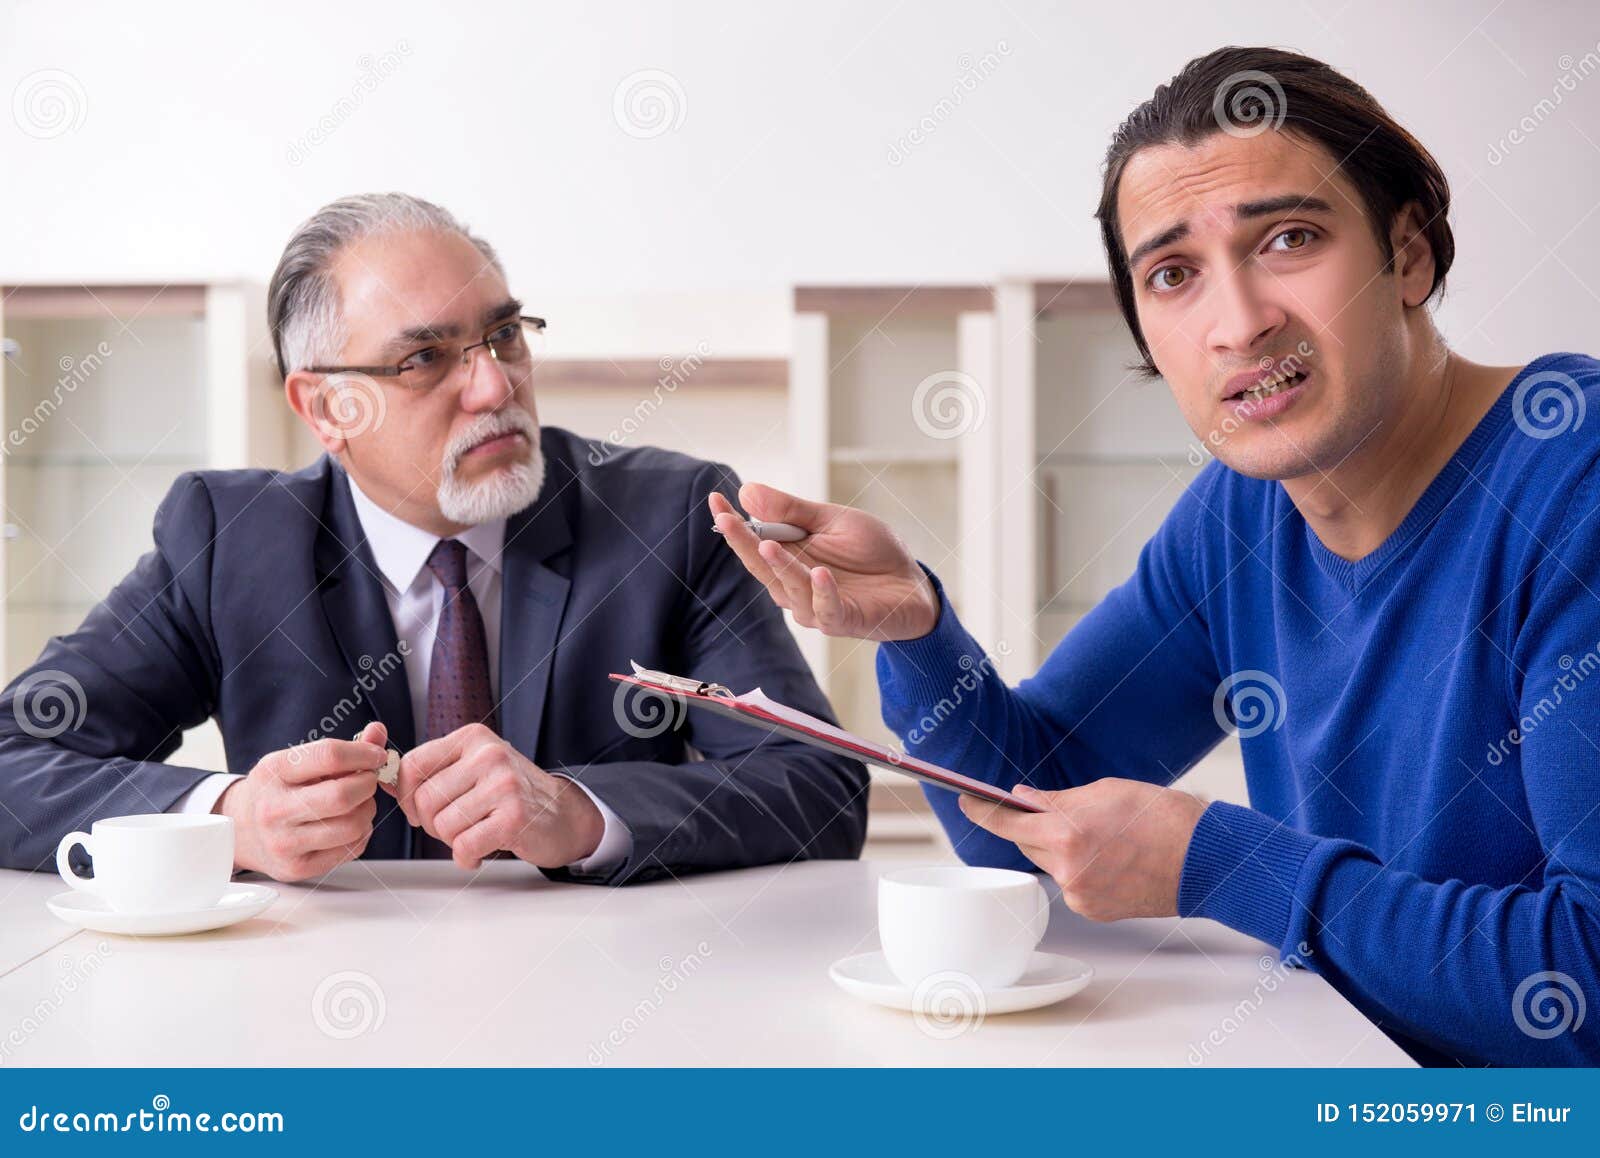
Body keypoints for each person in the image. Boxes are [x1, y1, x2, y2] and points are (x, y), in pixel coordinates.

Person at [712, 46, 1600, 1065]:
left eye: (1290, 239)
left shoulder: (1574, 482)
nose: (1240, 324)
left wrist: (1220, 861)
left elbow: (1582, 981)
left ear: (1407, 255)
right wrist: (917, 630)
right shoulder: (1240, 514)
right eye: (1174, 275)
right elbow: (1024, 820)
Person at [0, 193, 866, 885]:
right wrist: (230, 820)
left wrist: (581, 813)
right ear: (326, 409)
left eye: (503, 336)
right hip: (307, 1003)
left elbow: (819, 786)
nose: (495, 386)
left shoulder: (668, 516)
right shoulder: (229, 541)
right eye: (425, 359)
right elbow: (15, 760)